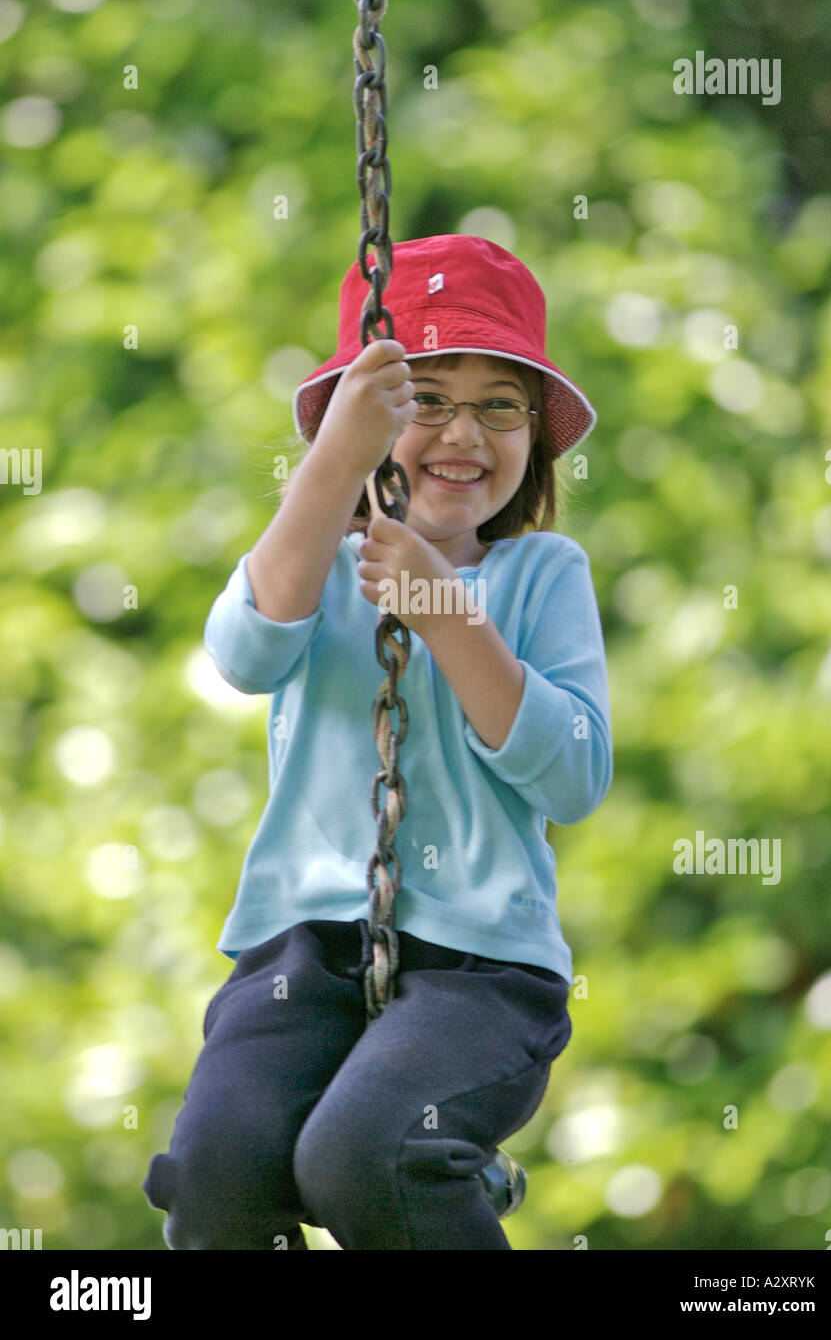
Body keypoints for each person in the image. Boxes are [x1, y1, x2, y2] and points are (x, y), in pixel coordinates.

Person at [142, 234, 613, 1250]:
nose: (463, 431)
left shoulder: (541, 575)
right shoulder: (315, 561)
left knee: (367, 1151)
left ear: (535, 435)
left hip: (479, 972)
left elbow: (572, 773)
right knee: (218, 1167)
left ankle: (444, 1173)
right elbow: (243, 651)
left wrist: (447, 615)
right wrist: (331, 468)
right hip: (299, 952)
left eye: (502, 404)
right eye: (424, 398)